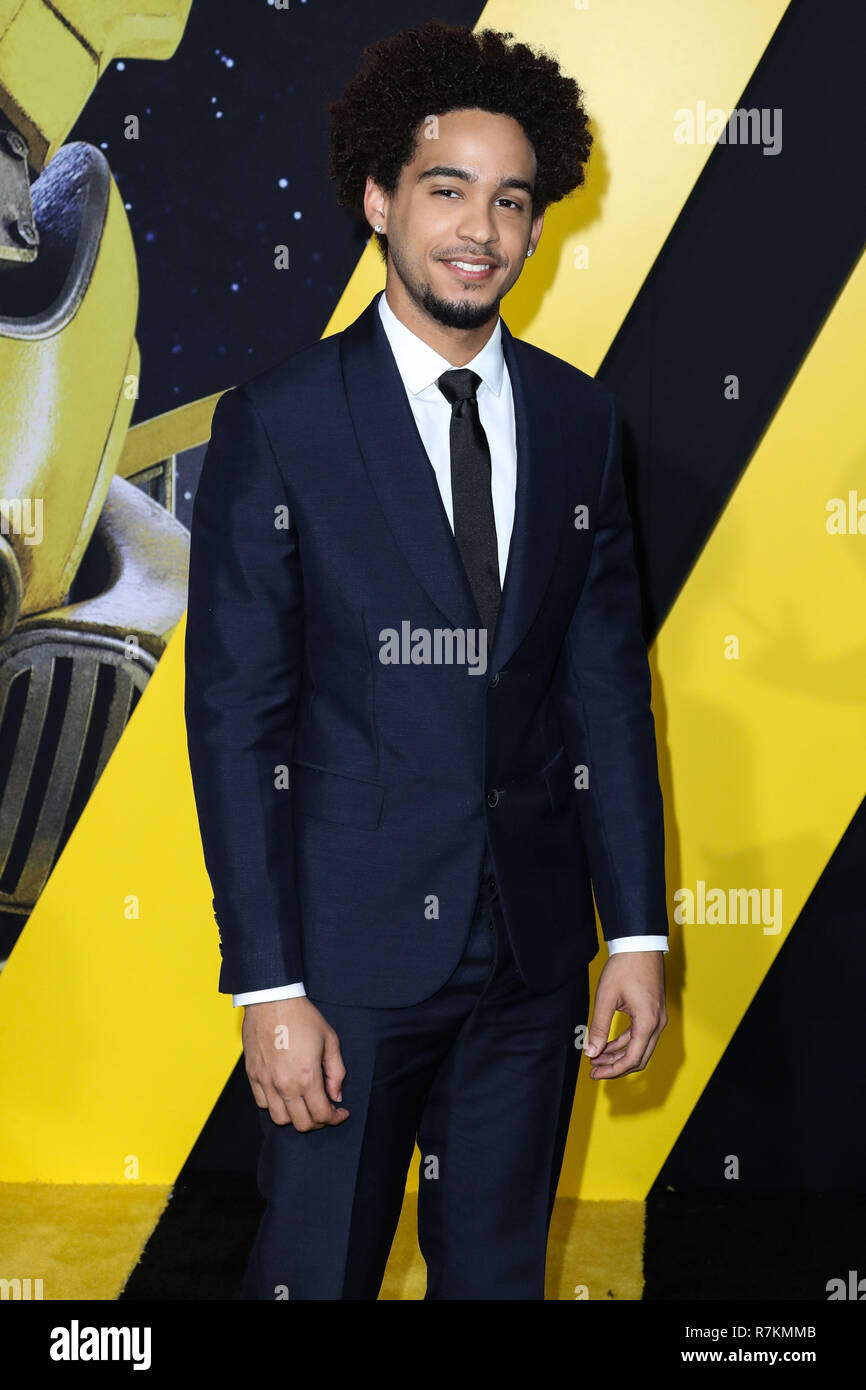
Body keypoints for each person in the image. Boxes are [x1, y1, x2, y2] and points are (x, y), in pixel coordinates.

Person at [184, 20, 669, 1301]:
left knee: (498, 1274)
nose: (480, 229)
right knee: (315, 1272)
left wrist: (636, 927)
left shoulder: (578, 418)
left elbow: (607, 688)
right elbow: (236, 718)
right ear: (378, 198)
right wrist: (266, 982)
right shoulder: (280, 423)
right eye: (446, 189)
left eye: (508, 200)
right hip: (343, 967)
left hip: (528, 951)